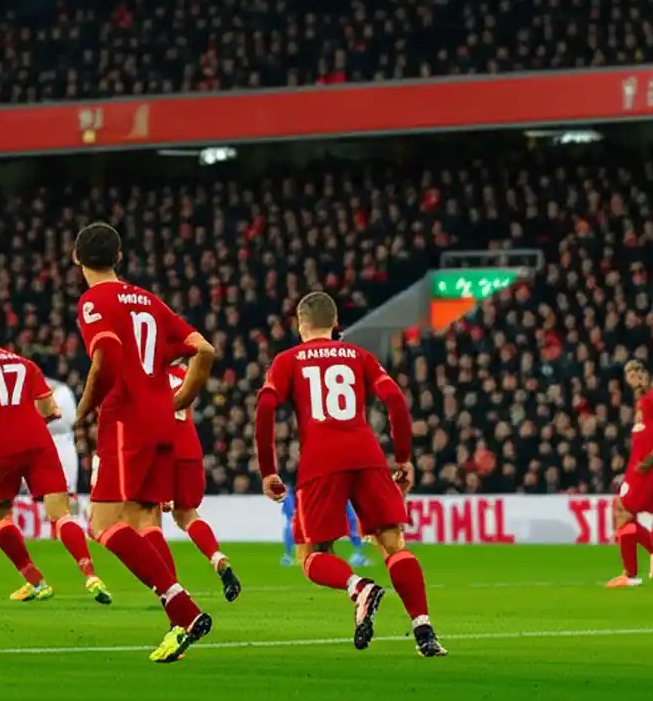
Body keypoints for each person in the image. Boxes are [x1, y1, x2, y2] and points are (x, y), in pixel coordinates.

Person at [255, 291, 446, 657]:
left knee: (311, 557)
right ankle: (423, 628)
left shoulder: (288, 360)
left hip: (321, 460)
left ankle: (358, 587)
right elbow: (395, 401)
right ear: (336, 322)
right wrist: (403, 458)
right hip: (366, 453)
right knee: (394, 545)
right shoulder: (360, 356)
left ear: (299, 323)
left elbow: (265, 405)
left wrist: (268, 470)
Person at [72, 221, 215, 663]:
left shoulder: (95, 301)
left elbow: (107, 355)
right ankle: (177, 623)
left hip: (125, 421)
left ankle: (184, 609)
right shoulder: (149, 301)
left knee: (102, 526)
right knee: (141, 522)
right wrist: (181, 397)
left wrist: (84, 408)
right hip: (161, 421)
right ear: (118, 258)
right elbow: (204, 350)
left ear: (77, 259)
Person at [0, 315, 111, 604]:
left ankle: (35, 581)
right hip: (39, 442)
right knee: (61, 514)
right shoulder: (26, 364)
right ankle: (91, 575)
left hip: (3, 446)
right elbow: (51, 411)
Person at [165, 362, 241, 601]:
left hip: (161, 449)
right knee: (187, 514)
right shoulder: (184, 373)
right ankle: (219, 559)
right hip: (188, 447)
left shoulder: (146, 373)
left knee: (147, 522)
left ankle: (171, 588)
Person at [606, 360, 653, 588]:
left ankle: (650, 555)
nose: (631, 378)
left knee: (623, 511)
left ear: (645, 374)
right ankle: (632, 572)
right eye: (628, 374)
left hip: (649, 469)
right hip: (638, 468)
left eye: (635, 372)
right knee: (621, 510)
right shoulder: (643, 400)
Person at [44, 376, 79, 503]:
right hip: (45, 443)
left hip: (63, 442)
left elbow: (67, 419)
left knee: (68, 494)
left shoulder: (63, 392)